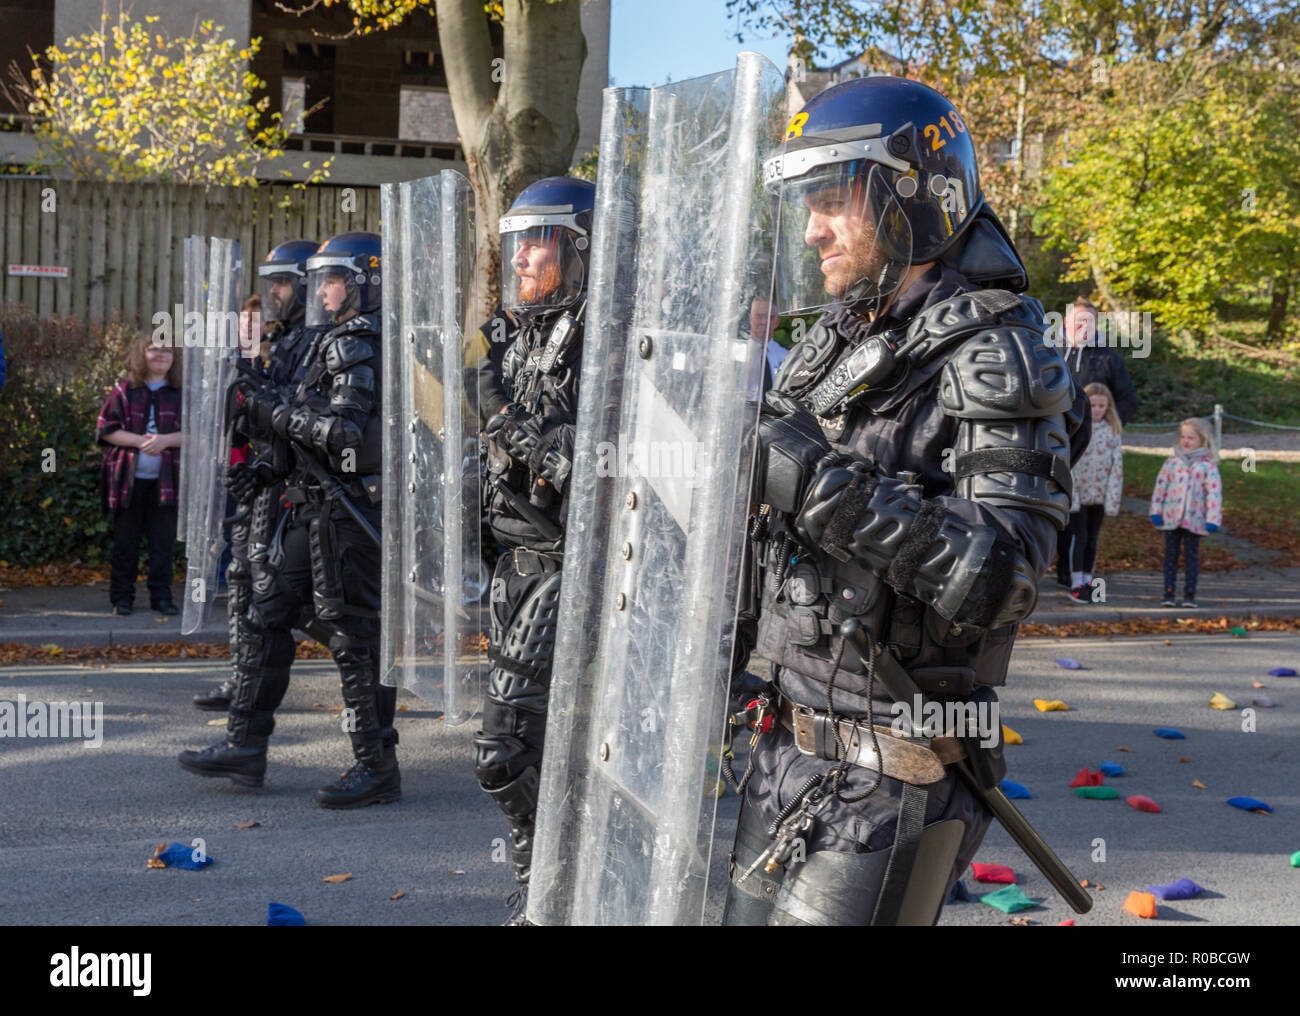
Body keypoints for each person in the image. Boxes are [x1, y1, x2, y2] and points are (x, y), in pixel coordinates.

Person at [725, 75, 1089, 926]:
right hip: (783, 747)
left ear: (911, 198)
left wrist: (816, 484)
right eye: (806, 204)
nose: (812, 229)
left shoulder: (994, 349)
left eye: (834, 202)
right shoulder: (837, 337)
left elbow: (1006, 573)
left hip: (899, 770)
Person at [178, 231, 395, 808]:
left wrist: (272, 411)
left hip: (347, 508)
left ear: (362, 283)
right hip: (310, 506)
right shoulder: (324, 341)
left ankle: (377, 766)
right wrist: (260, 430)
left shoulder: (359, 341)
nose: (319, 291)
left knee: (353, 636)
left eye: (331, 279)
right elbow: (296, 422)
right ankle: (246, 747)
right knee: (267, 608)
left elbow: (345, 434)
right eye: (317, 280)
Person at [465, 176, 595, 924]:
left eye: (538, 242)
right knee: (540, 744)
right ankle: (546, 892)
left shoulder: (605, 336)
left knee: (504, 746)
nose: (520, 259)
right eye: (516, 243)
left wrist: (504, 421)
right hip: (512, 567)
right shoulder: (518, 332)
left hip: (565, 568)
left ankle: (549, 897)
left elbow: (587, 465)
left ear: (579, 252)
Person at [193, 240, 320, 712]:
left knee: (304, 609)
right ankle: (241, 685)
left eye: (284, 282)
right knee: (244, 579)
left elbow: (301, 421)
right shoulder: (282, 342)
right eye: (272, 284)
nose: (275, 294)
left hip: (293, 493)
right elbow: (253, 420)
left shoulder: (313, 342)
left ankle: (250, 706)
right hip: (260, 482)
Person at [97, 333, 183, 615]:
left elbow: (198, 435)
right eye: (154, 349)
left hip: (167, 484)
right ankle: (122, 598)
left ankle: (162, 597)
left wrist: (166, 441)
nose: (161, 355)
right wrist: (141, 442)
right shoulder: (125, 390)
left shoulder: (181, 393)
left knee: (162, 545)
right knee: (125, 544)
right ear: (141, 354)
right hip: (128, 483)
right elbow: (106, 430)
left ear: (174, 358)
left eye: (167, 351)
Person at [1054, 297, 1138, 587]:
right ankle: (1062, 566)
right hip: (1054, 445)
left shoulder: (1108, 359)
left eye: (1089, 321)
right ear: (1066, 323)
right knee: (1057, 511)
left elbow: (1127, 399)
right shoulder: (1050, 354)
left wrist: (1108, 428)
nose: (1083, 326)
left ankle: (1076, 575)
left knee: (1084, 522)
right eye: (1079, 320)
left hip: (1091, 456)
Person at [1150, 417, 1222, 608]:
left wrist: (1212, 518)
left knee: (1191, 557)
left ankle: (1190, 594)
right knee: (1170, 556)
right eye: (1183, 437)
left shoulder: (1208, 466)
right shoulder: (1172, 463)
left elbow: (1214, 494)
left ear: (1202, 440)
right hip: (1171, 517)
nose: (1186, 441)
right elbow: (1161, 487)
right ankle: (1168, 593)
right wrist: (1156, 510)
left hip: (1195, 519)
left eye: (1191, 437)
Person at [1064, 383, 1125, 602]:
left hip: (1099, 496)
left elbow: (1116, 468)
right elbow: (1069, 465)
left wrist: (1112, 499)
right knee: (1078, 539)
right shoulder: (1078, 431)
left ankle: (1089, 581)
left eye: (1101, 406)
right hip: (1078, 496)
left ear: (1108, 407)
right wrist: (1072, 496)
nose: (1097, 410)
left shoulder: (1112, 433)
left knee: (1092, 539)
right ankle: (1076, 582)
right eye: (1093, 405)